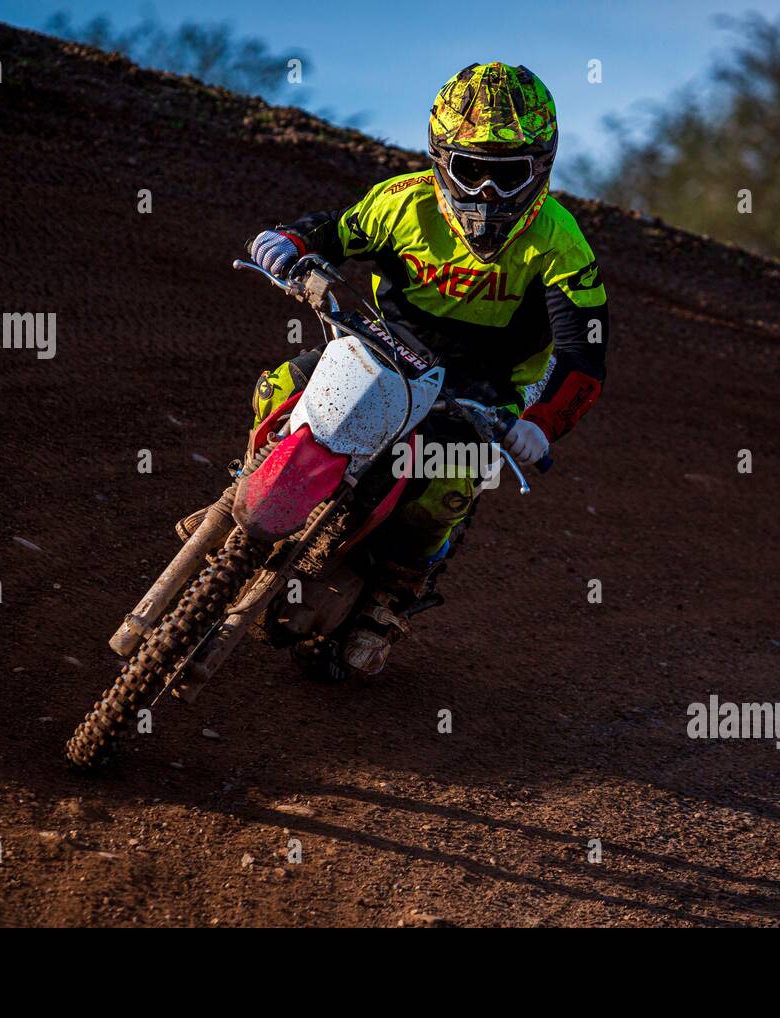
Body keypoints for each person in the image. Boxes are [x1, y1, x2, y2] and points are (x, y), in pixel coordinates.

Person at [246, 61, 609, 678]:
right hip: (386, 349)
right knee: (278, 386)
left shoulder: (561, 243)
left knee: (446, 482)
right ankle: (248, 488)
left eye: (506, 174)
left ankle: (392, 596)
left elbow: (584, 354)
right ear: (441, 160)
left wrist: (541, 425)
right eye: (471, 171)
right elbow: (332, 231)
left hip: (484, 385)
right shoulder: (403, 202)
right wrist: (291, 242)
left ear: (540, 169)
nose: (486, 194)